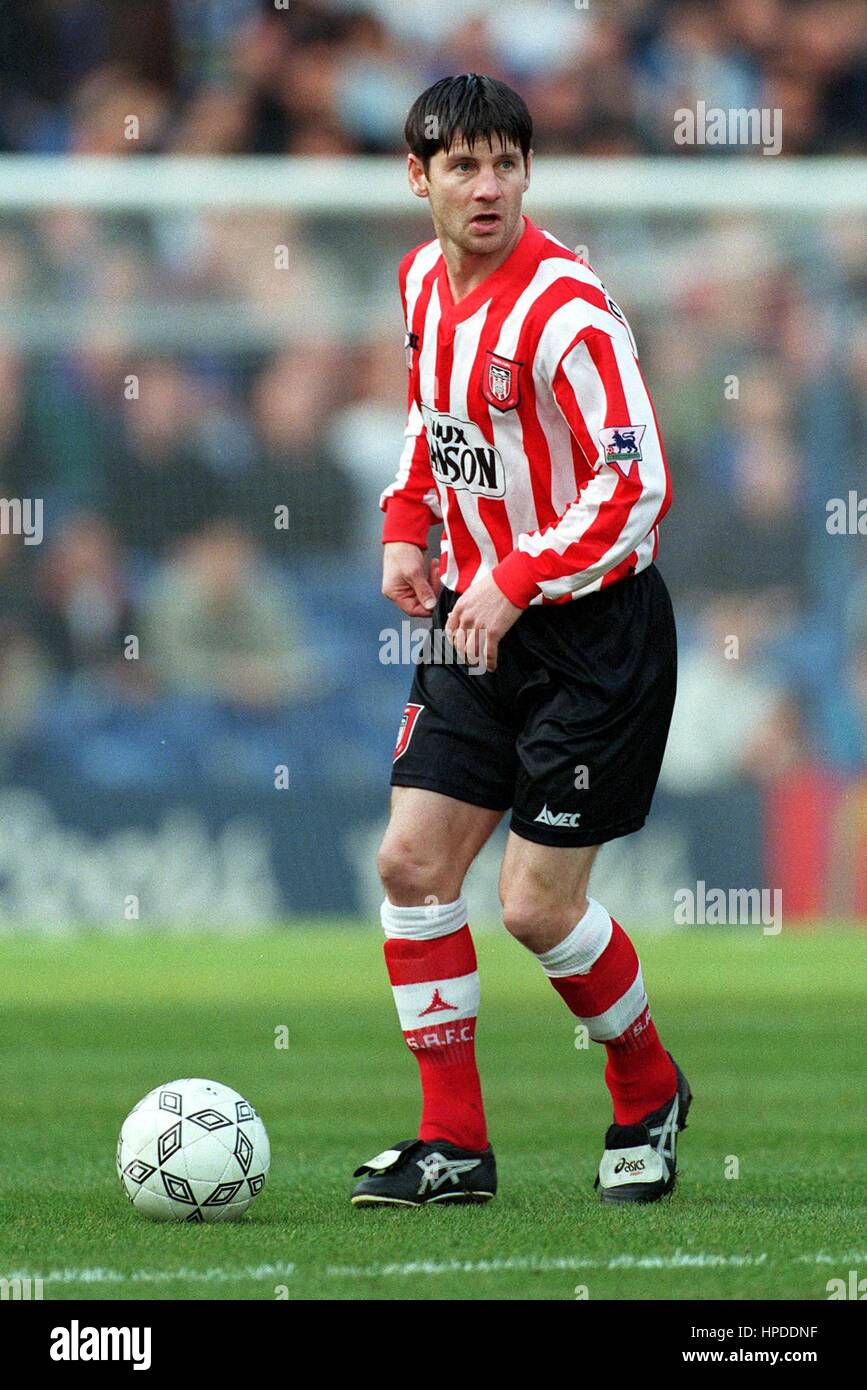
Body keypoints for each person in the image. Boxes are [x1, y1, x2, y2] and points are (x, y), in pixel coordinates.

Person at [352, 74, 689, 1209]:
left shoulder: (566, 308)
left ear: (527, 172)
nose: (487, 186)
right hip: (475, 619)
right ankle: (454, 1142)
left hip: (593, 634)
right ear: (420, 177)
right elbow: (429, 419)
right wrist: (409, 524)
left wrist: (515, 572)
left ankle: (647, 1089)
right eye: (462, 165)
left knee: (536, 905)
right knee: (410, 860)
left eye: (506, 164)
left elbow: (639, 482)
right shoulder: (418, 282)